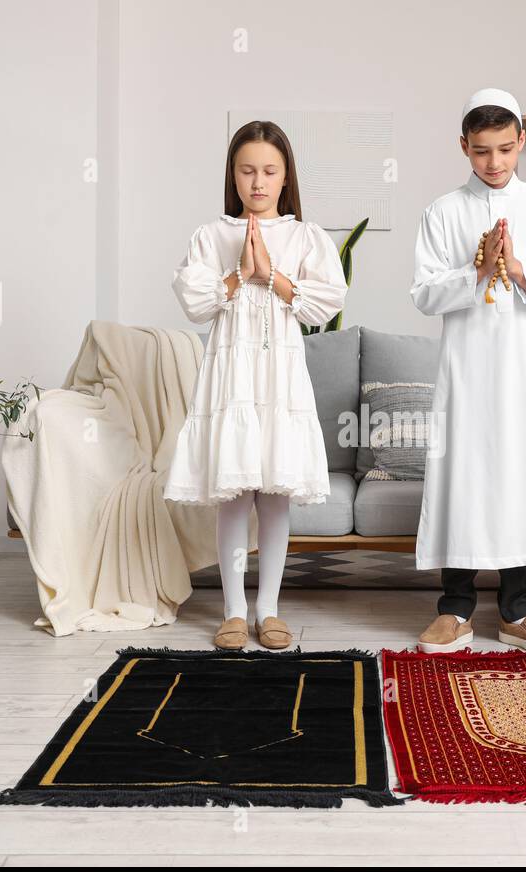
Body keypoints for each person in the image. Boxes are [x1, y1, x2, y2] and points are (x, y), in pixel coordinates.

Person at [408, 88, 526, 654]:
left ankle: (516, 610)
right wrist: (475, 269)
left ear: (522, 141)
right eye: (482, 151)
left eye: (505, 149)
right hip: (465, 371)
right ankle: (455, 611)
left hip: (521, 372)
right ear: (464, 146)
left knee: (519, 478)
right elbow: (425, 296)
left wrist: (519, 269)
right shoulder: (441, 212)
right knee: (463, 476)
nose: (495, 163)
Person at [163, 120, 347, 650]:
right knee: (235, 493)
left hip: (280, 375)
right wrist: (239, 273)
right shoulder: (210, 235)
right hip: (231, 375)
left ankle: (269, 608)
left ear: (286, 177)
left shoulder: (305, 236)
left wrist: (271, 275)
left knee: (274, 494)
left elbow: (324, 302)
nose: (258, 182)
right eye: (247, 171)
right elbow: (196, 302)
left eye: (269, 171)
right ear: (234, 175)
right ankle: (233, 611)